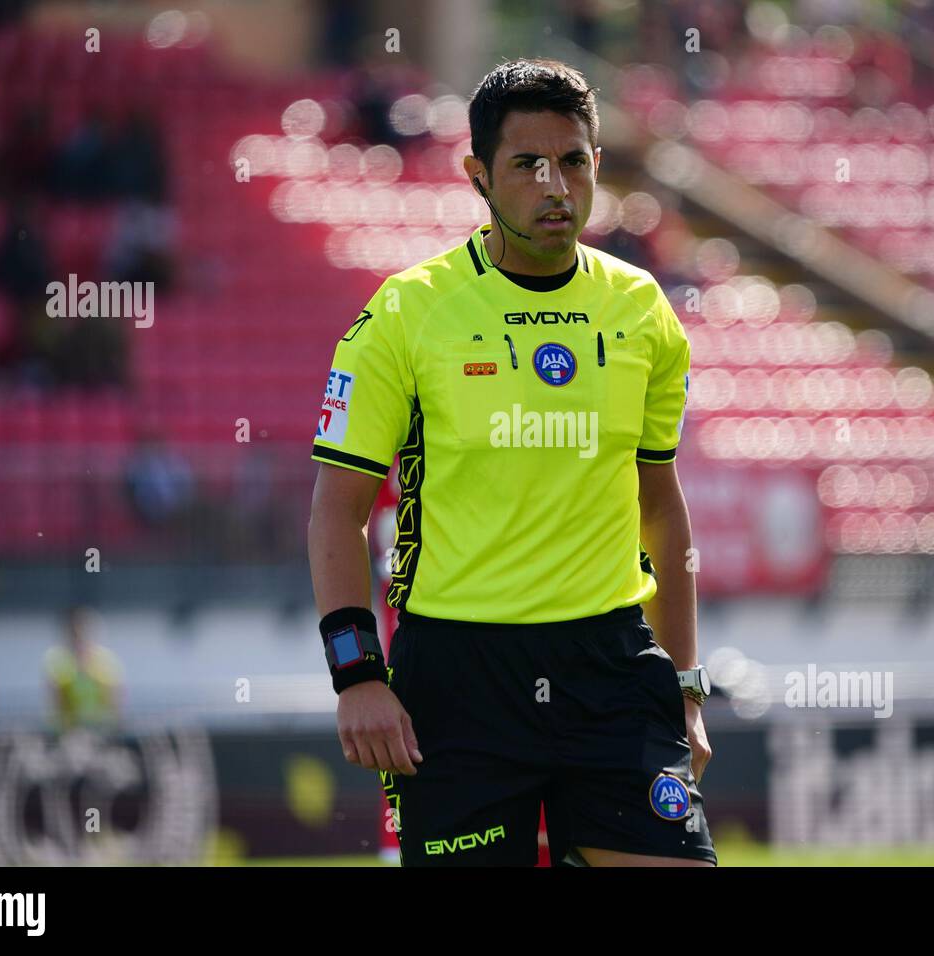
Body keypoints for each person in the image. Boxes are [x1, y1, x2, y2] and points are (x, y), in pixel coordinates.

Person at [307, 59, 715, 867]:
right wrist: (357, 675)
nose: (554, 184)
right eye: (527, 164)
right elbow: (337, 510)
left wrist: (687, 685)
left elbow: (660, 505)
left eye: (572, 161)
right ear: (479, 178)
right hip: (459, 678)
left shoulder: (642, 311)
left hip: (611, 667)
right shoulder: (408, 311)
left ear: (596, 167)